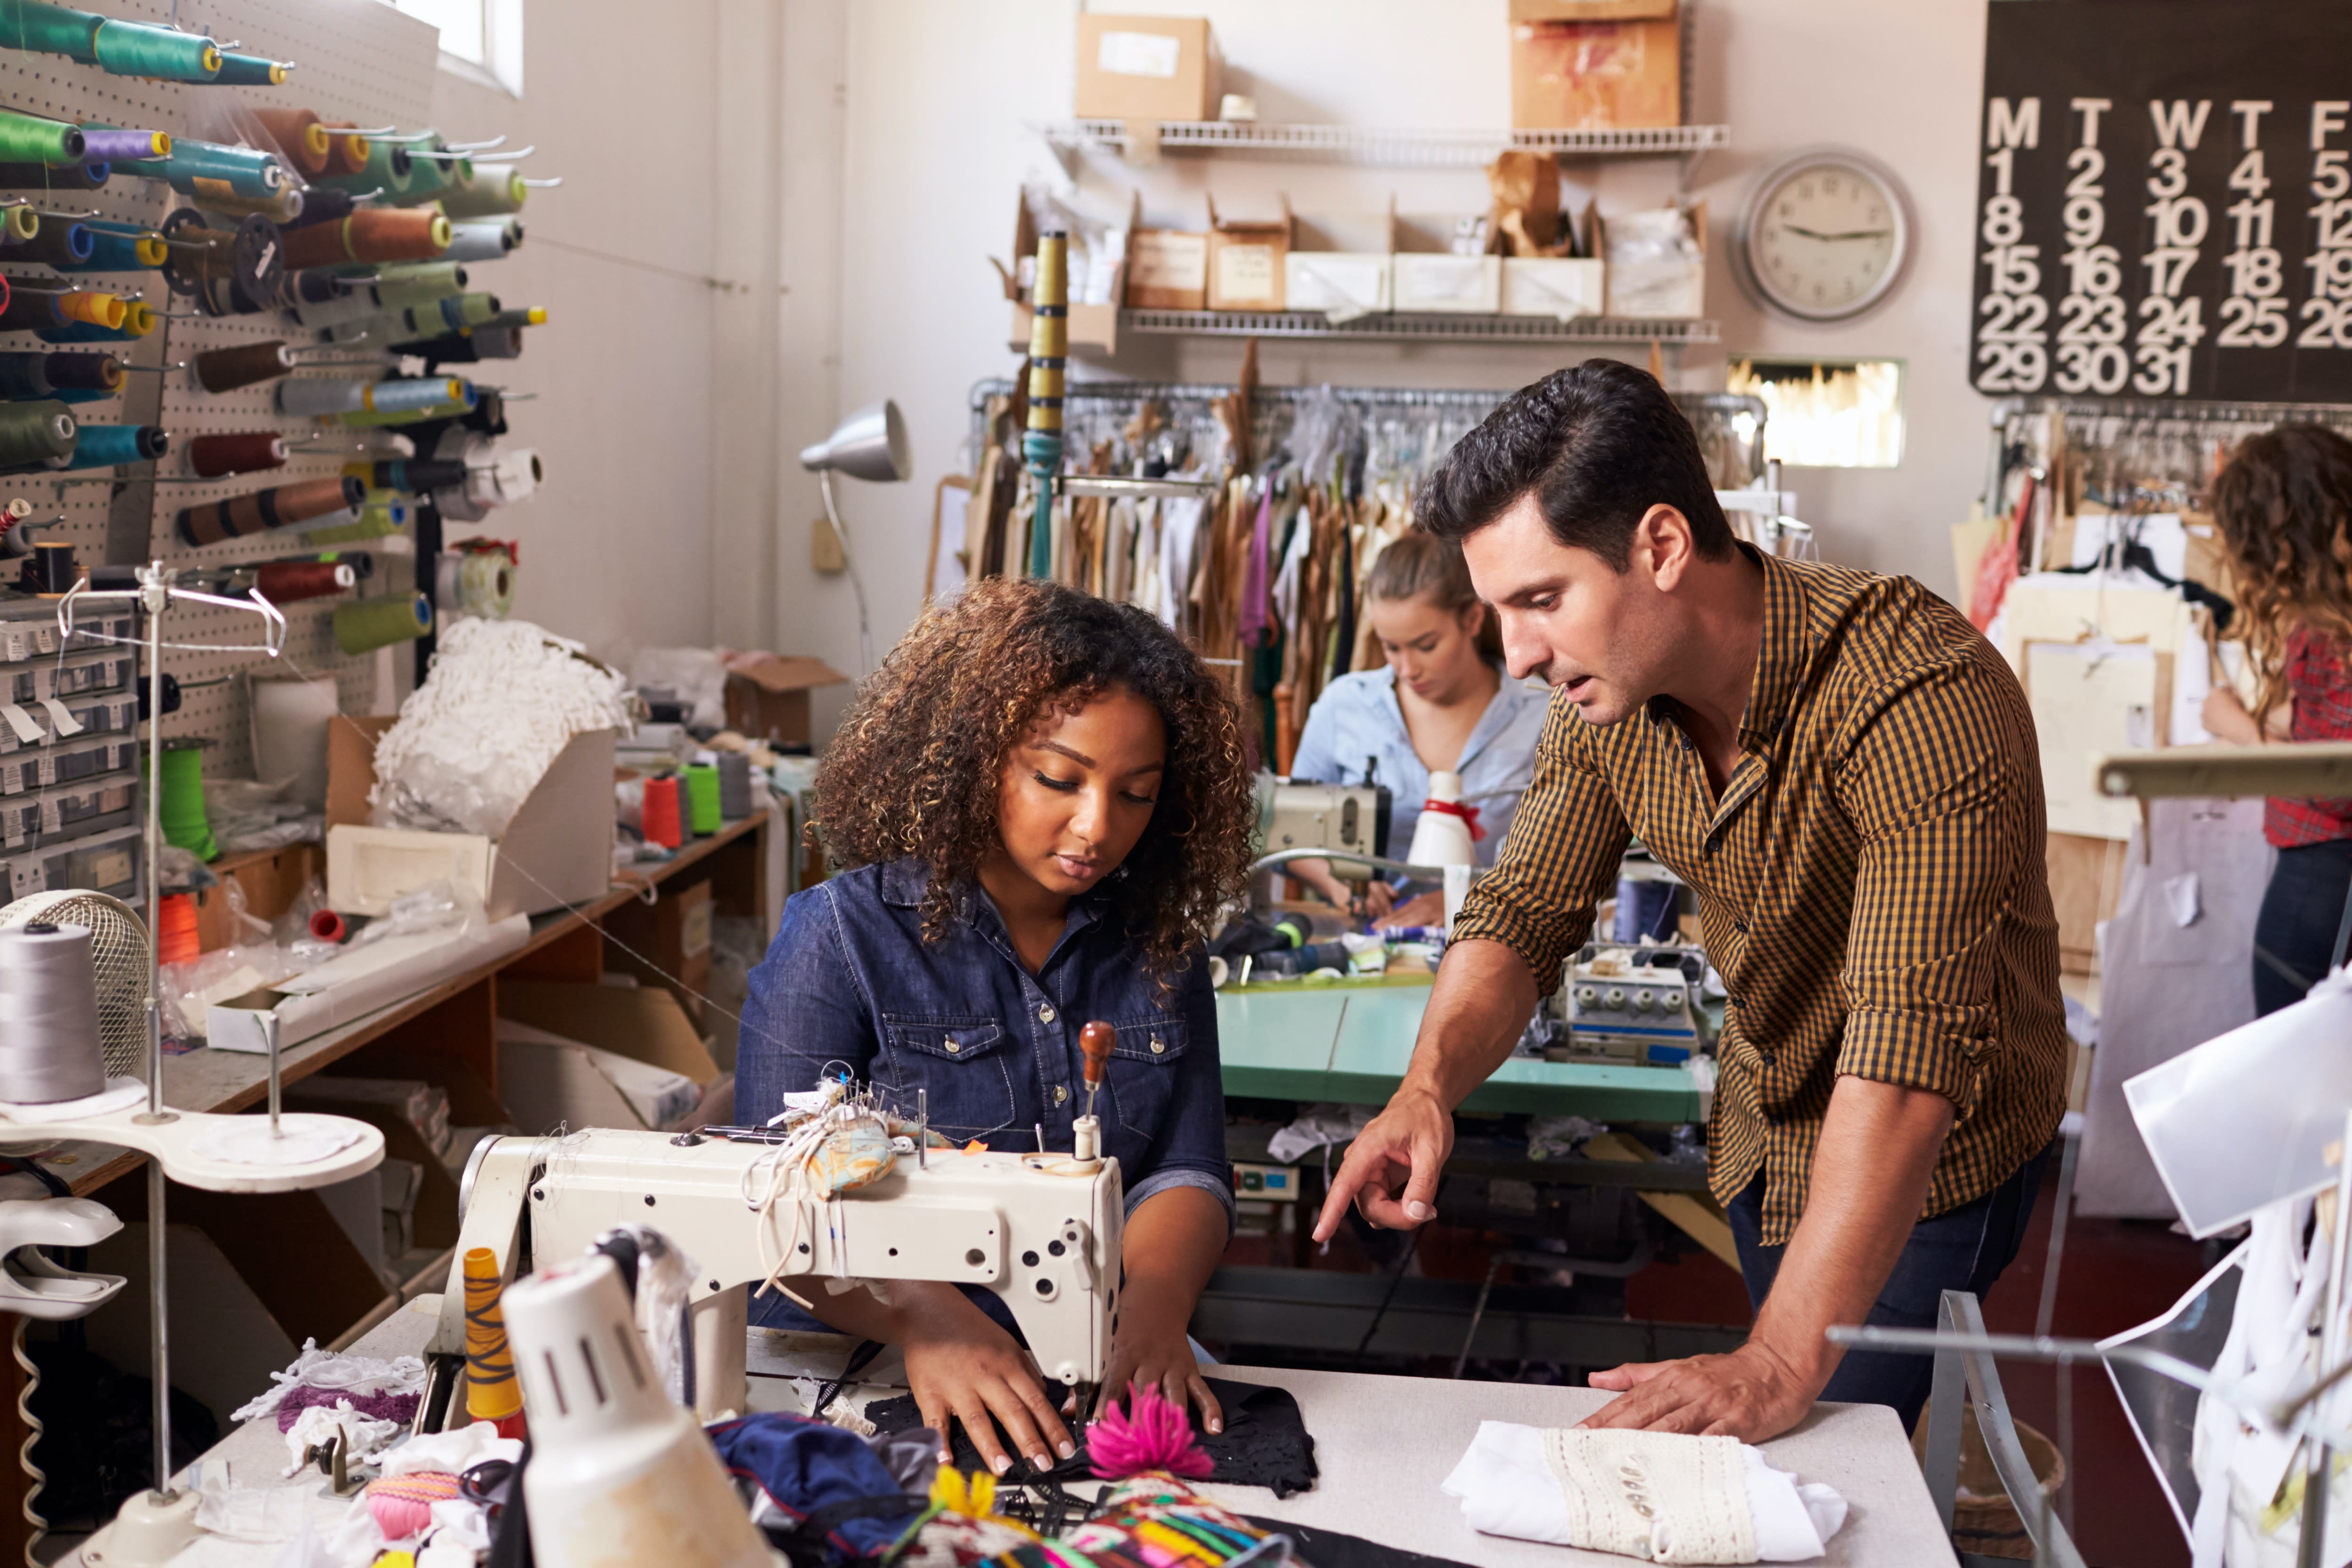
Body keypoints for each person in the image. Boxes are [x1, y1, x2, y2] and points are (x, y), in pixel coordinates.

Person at [1312, 360, 2067, 1440]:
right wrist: (1425, 1088)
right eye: (1497, 611)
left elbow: (1907, 1047)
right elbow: (1525, 906)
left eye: (1540, 601)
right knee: (1787, 1428)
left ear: (1660, 548)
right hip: (1768, 1119)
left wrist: (1774, 1362)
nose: (1516, 654)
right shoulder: (1605, 695)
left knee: (1844, 1443)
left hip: (1934, 1149)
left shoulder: (1918, 694)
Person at [736, 579, 1257, 1476]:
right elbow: (774, 1195)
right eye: (1060, 778)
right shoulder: (841, 937)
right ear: (977, 757)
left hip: (1079, 1362)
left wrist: (1155, 1308)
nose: (1097, 826)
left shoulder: (1162, 949)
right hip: (861, 1352)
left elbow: (1185, 1166)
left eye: (1137, 794)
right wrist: (923, 1313)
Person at [1286, 530, 1548, 930]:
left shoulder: (1542, 716)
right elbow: (1287, 835)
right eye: (1391, 647)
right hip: (1370, 945)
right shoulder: (1345, 707)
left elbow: (1573, 855)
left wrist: (1467, 898)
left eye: (1426, 646)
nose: (1407, 670)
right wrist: (1337, 880)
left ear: (1473, 619)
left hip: (1501, 936)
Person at [2198, 424, 2352, 1016]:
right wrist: (2285, 716)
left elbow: (2337, 781)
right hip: (2325, 873)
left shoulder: (2332, 626)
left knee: (2291, 1062)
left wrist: (2234, 724)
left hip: (2326, 872)